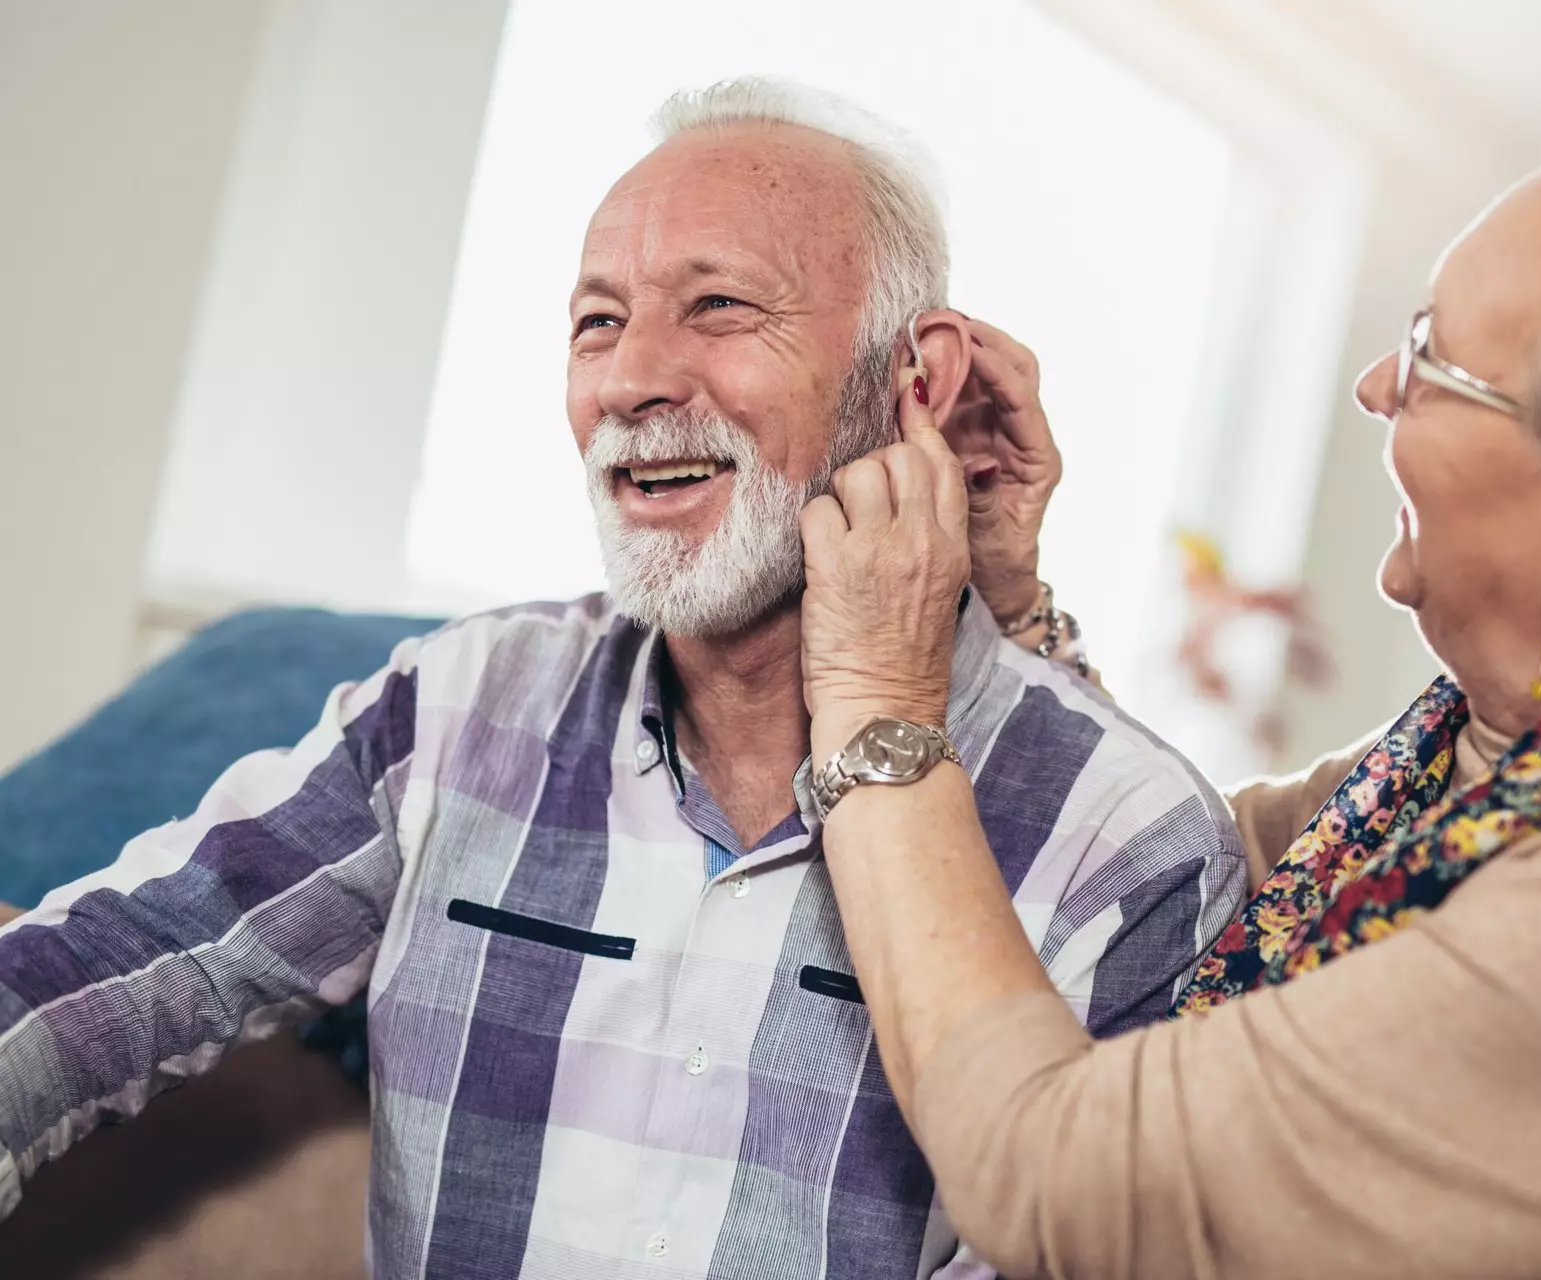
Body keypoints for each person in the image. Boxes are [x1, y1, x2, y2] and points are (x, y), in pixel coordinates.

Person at [0, 79, 1244, 1279]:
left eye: (719, 307)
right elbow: (104, 967)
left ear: (916, 381)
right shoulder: (455, 708)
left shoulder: (1131, 843)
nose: (632, 381)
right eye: (598, 321)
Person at [796, 33, 1541, 1280]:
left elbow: (1066, 1176)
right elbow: (1184, 885)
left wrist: (875, 705)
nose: (1379, 384)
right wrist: (1015, 616)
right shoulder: (1517, 771)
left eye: (1437, 360)